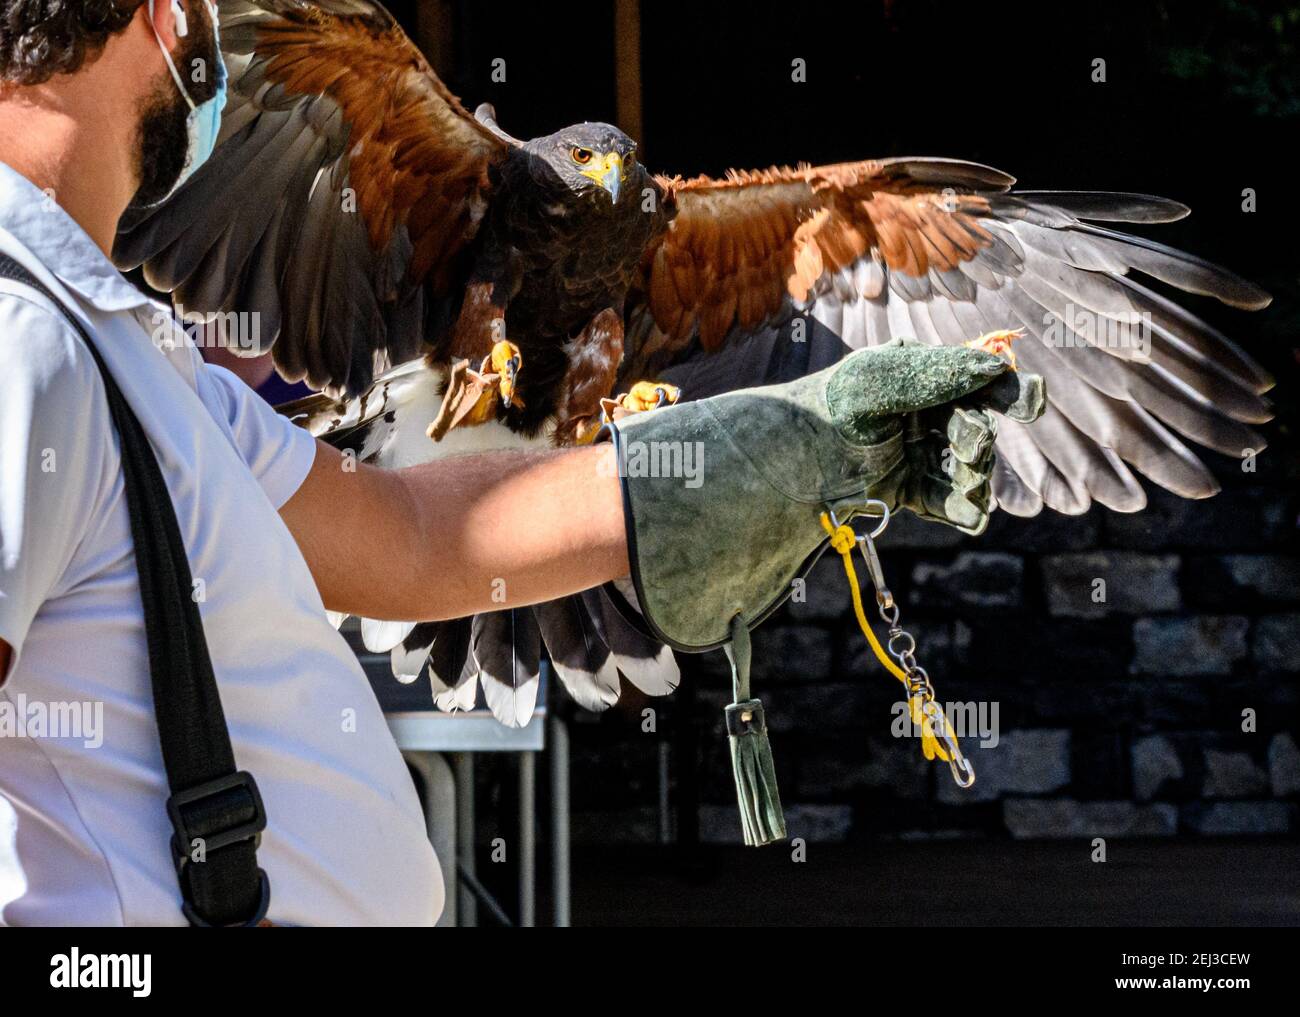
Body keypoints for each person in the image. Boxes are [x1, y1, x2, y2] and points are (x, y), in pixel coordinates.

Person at [0, 0, 1016, 925]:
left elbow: (414, 537)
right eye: (182, 10)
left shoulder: (125, 360)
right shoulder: (19, 342)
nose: (199, 36)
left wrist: (795, 447)